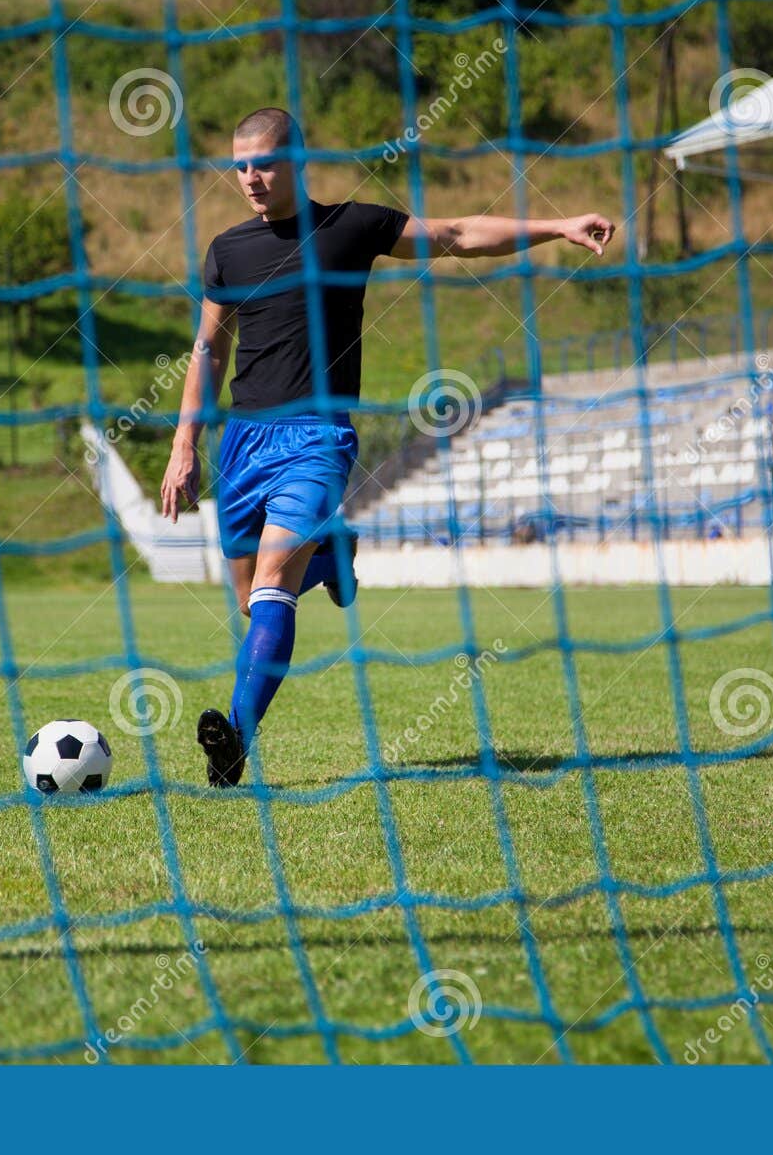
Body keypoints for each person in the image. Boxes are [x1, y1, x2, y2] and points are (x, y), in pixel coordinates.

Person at [160, 107, 615, 786]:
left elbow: (457, 233)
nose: (250, 178)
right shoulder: (228, 250)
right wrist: (183, 442)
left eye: (264, 163)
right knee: (253, 603)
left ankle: (233, 745)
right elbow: (208, 348)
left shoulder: (350, 226)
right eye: (240, 165)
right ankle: (332, 559)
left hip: (317, 436)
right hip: (243, 443)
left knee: (271, 588)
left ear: (296, 161)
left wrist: (556, 225)